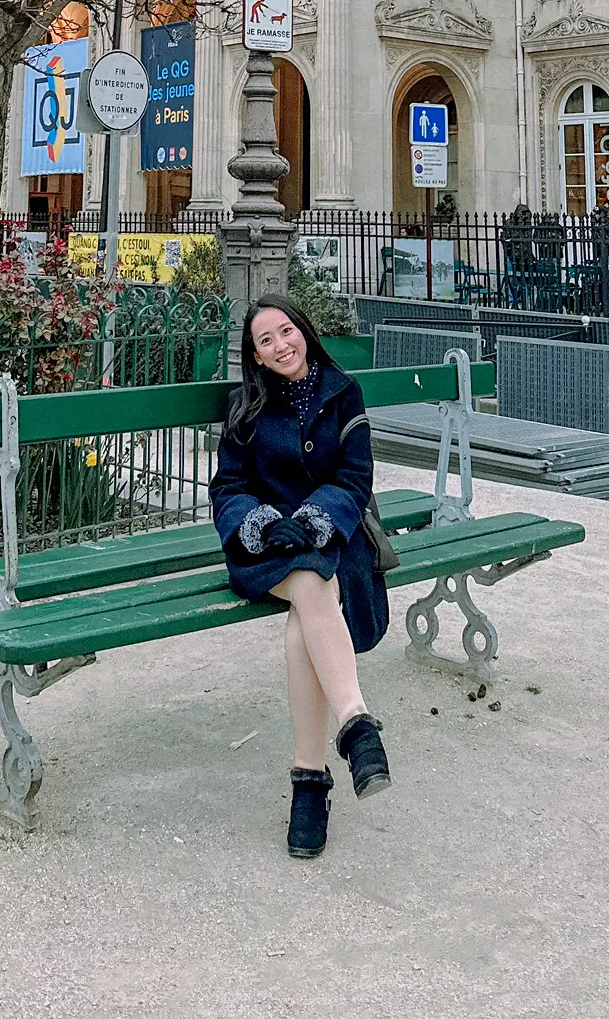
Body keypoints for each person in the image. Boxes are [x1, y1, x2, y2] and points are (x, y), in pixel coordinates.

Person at [210, 295, 392, 859]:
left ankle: (309, 784)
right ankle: (356, 724)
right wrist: (263, 526)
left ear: (305, 333)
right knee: (310, 585)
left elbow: (356, 478)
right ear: (257, 357)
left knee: (306, 612)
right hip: (264, 547)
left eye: (286, 332)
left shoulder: (344, 392)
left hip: (332, 538)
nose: (280, 345)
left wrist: (314, 521)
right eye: (266, 341)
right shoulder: (246, 407)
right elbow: (227, 489)